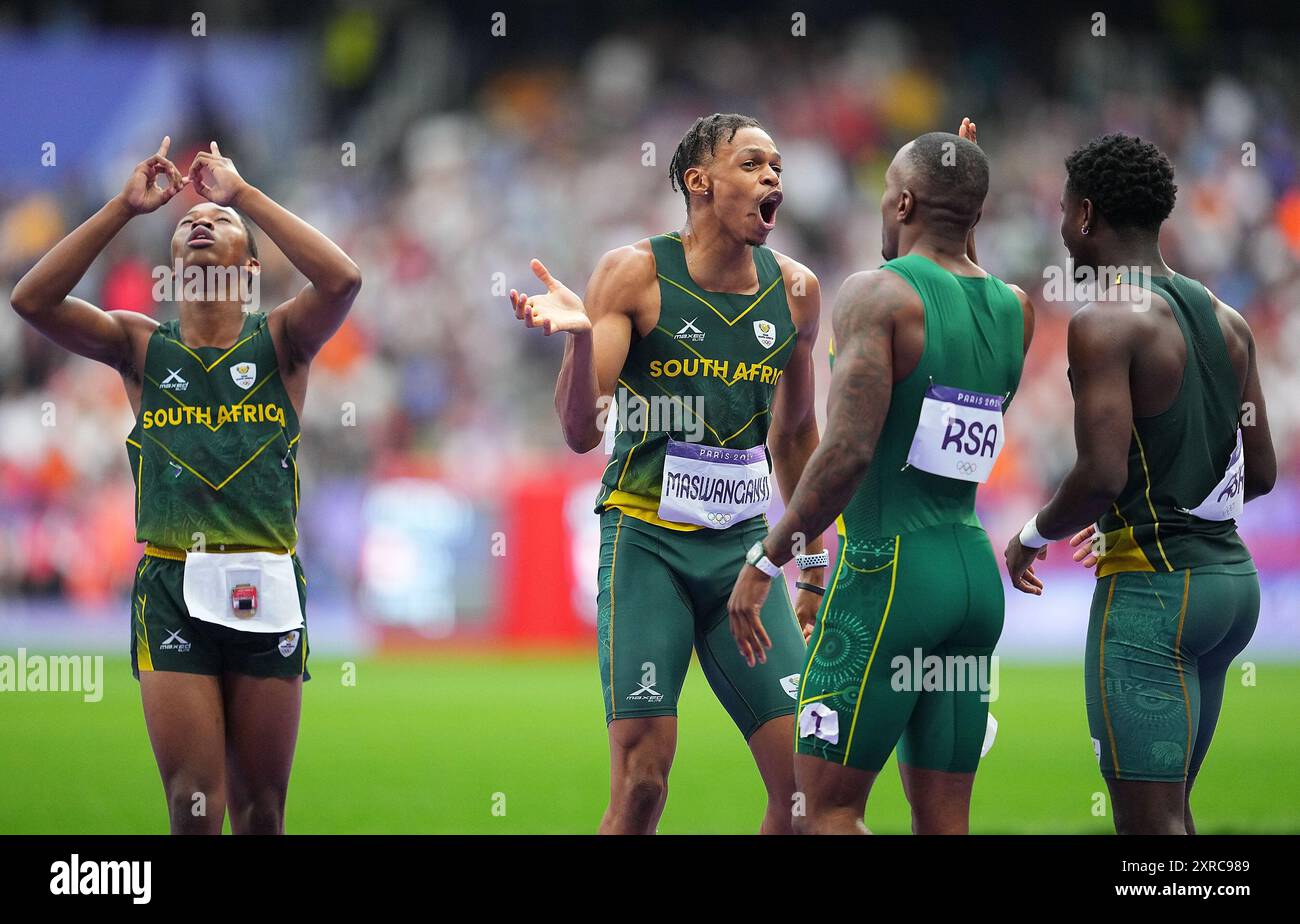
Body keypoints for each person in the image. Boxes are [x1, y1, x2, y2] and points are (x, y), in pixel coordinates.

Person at [10, 138, 362, 833]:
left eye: (219, 223)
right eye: (185, 224)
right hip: (173, 588)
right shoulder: (139, 346)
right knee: (193, 808)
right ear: (170, 264)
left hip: (268, 583)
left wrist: (244, 195)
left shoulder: (284, 340)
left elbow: (343, 281)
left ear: (251, 266)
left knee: (262, 812)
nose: (199, 223)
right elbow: (32, 299)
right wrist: (121, 208)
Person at [508, 114, 825, 834]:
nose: (773, 176)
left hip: (744, 554)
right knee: (644, 783)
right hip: (647, 544)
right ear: (699, 181)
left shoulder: (798, 291)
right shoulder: (635, 274)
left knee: (805, 785)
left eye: (777, 165)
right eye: (752, 163)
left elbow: (798, 436)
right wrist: (580, 343)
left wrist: (809, 563)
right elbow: (581, 432)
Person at [728, 120, 1036, 834]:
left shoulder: (878, 295)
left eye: (888, 196)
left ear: (901, 206)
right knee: (945, 821)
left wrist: (769, 555)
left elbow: (846, 454)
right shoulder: (1015, 309)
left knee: (823, 811)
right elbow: (965, 294)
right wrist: (963, 177)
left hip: (888, 571)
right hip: (971, 577)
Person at [1004, 133, 1275, 835]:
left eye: (1065, 212)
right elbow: (1263, 473)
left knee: (1147, 832)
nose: (1062, 229)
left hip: (1155, 596)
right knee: (1174, 815)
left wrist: (1032, 536)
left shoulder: (1104, 322)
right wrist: (1135, 513)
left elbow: (1100, 473)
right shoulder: (1230, 321)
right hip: (1229, 587)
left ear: (1087, 214)